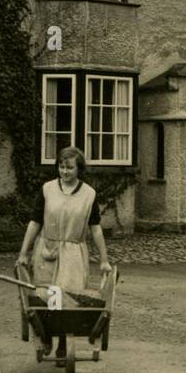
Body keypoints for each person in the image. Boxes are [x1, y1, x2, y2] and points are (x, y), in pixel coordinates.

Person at [17, 146, 112, 358]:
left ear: (79, 169)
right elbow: (35, 222)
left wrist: (104, 259)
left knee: (67, 297)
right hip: (47, 250)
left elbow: (95, 227)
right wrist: (24, 252)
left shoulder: (89, 194)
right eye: (61, 167)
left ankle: (63, 341)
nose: (65, 172)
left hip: (73, 252)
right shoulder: (47, 189)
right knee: (47, 295)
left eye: (69, 168)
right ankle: (48, 335)